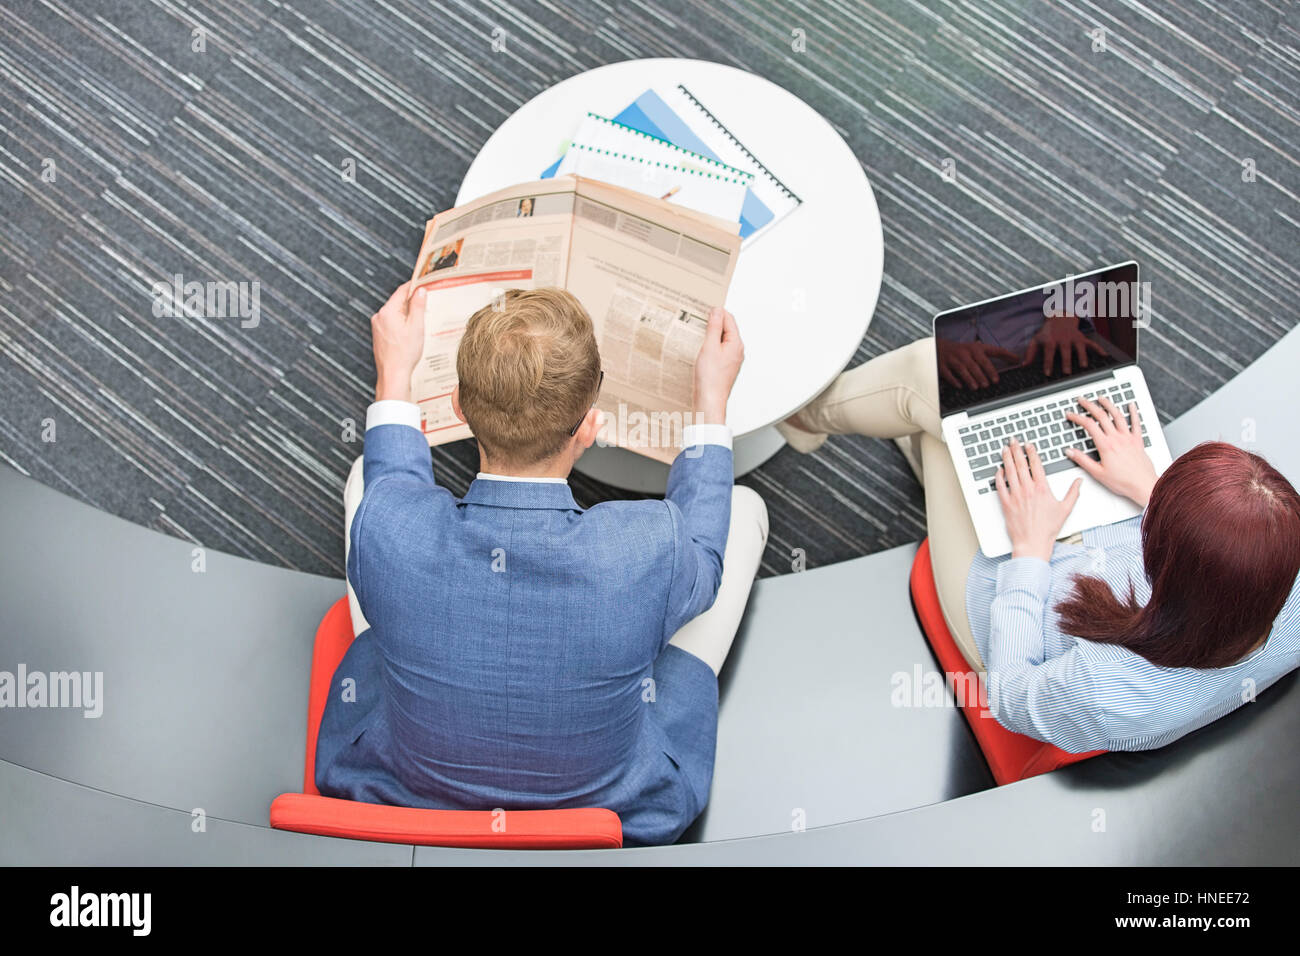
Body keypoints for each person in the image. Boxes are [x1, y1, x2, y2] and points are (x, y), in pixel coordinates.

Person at [316, 283, 768, 846]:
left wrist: (395, 377)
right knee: (743, 510)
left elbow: (392, 485)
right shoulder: (650, 547)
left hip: (403, 799)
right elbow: (702, 551)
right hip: (611, 811)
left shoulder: (389, 526)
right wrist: (711, 405)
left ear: (458, 407)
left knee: (370, 482)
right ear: (589, 427)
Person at [779, 339, 1300, 753]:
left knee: (930, 382)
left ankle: (800, 417)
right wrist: (1147, 484)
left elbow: (1010, 695)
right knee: (978, 411)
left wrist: (1028, 554)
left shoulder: (1107, 692)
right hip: (1089, 540)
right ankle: (934, 455)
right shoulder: (1271, 577)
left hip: (1014, 605)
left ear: (1167, 563)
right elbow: (1219, 568)